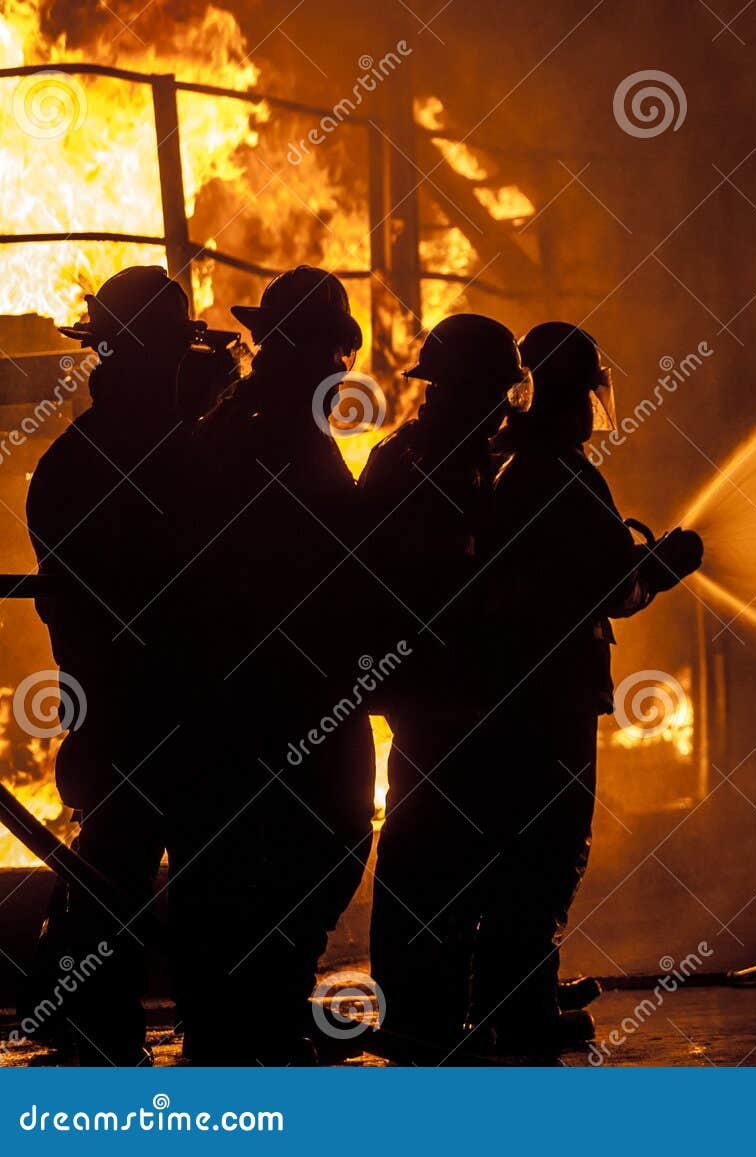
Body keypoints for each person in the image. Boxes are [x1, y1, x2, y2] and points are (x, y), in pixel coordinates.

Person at [470, 322, 703, 1055]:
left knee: (518, 845)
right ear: (570, 394)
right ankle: (524, 1009)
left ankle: (513, 990)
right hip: (553, 694)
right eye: (584, 392)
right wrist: (662, 566)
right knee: (550, 845)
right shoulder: (561, 475)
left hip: (520, 690)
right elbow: (606, 585)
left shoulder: (514, 467)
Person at [172, 266, 376, 1064]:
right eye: (330, 352)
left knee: (265, 845)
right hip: (281, 689)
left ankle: (249, 1015)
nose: (339, 369)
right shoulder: (272, 436)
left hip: (255, 685)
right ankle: (259, 1017)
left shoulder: (246, 424)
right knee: (318, 835)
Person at [23, 266, 204, 1064]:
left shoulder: (74, 460)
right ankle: (109, 1021)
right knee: (135, 862)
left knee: (112, 860)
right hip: (158, 703)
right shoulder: (176, 456)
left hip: (115, 703)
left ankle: (90, 1021)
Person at [359, 314, 522, 1054]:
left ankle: (431, 1011)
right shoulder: (435, 468)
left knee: (436, 844)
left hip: (437, 691)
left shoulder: (421, 456)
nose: (500, 411)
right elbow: (445, 588)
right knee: (434, 848)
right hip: (443, 691)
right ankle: (425, 1019)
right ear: (464, 390)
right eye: (492, 393)